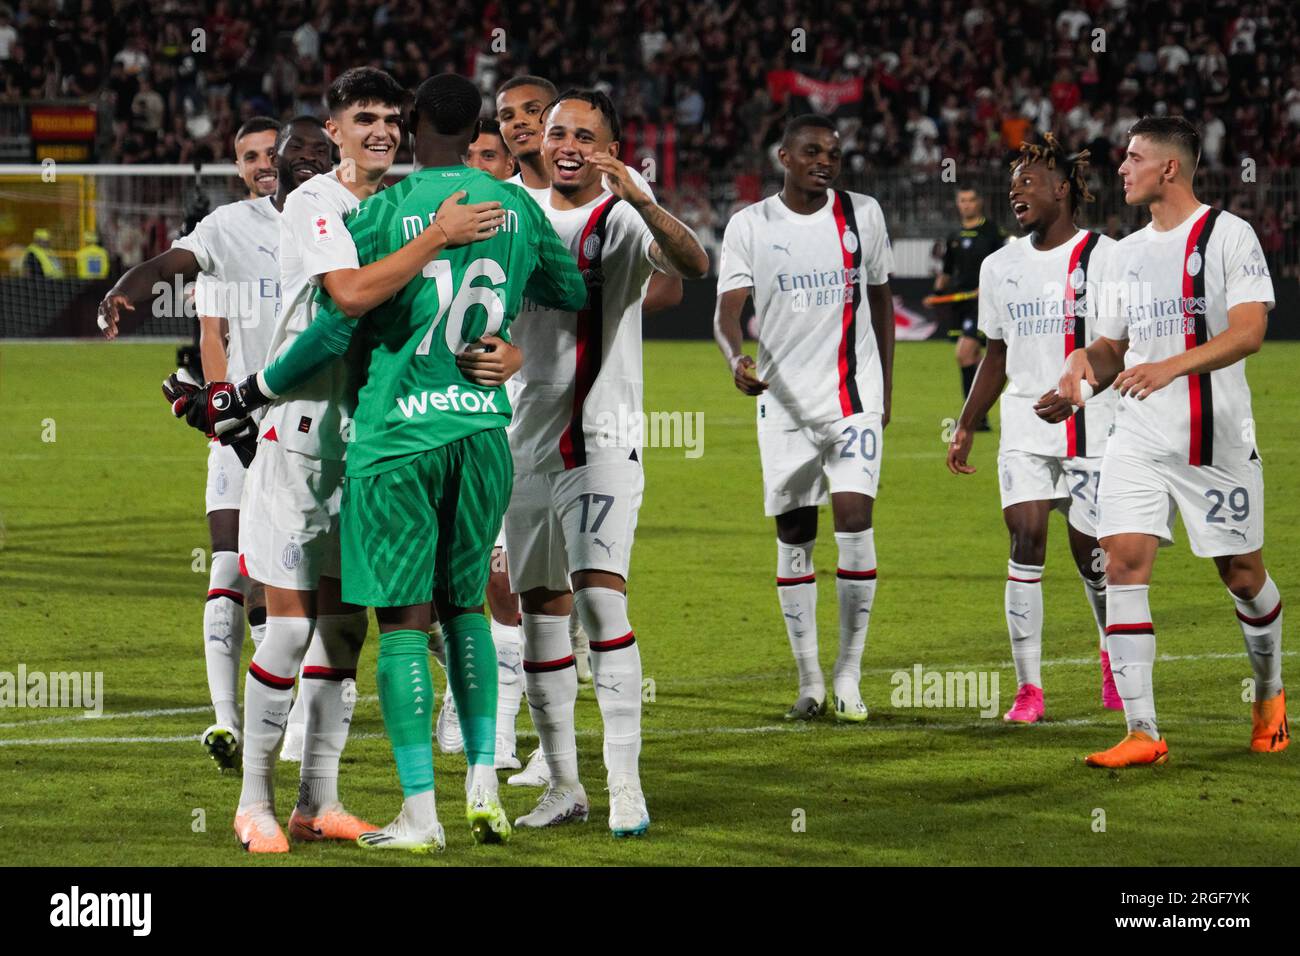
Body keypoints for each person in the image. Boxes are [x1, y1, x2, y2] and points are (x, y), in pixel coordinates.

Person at [184, 72, 585, 851]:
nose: (380, 130)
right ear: (334, 129)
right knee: (289, 630)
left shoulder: (387, 205)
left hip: (371, 446)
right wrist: (247, 394)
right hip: (303, 440)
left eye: (391, 118)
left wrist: (504, 347)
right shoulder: (319, 207)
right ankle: (254, 802)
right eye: (363, 117)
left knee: (343, 635)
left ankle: (316, 800)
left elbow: (446, 307)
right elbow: (344, 310)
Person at [1048, 116, 1288, 766]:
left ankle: (1268, 693)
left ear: (1169, 168)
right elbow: (1111, 349)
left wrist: (1170, 366)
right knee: (1121, 561)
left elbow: (1249, 332)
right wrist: (1077, 373)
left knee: (1242, 577)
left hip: (1217, 442)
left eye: (1131, 158)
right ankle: (1144, 732)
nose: (1120, 169)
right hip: (1139, 436)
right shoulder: (1121, 254)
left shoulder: (1228, 236)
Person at [97, 116, 332, 771]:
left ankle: (298, 725)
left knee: (321, 588)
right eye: (266, 153)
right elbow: (198, 310)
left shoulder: (345, 219)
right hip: (246, 428)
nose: (276, 162)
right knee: (235, 567)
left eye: (314, 149)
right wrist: (126, 294)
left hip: (322, 430)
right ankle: (229, 722)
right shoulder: (229, 228)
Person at [504, 88, 708, 836]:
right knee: (541, 615)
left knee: (601, 599)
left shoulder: (618, 216)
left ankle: (626, 785)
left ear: (609, 149)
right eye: (558, 131)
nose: (566, 144)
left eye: (585, 136)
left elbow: (693, 263)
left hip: (601, 438)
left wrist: (646, 202)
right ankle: (565, 786)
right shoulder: (506, 214)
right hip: (521, 443)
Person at [713, 114, 895, 723]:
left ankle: (849, 674)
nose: (826, 161)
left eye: (834, 154)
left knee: (854, 520)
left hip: (853, 399)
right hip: (784, 402)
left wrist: (885, 390)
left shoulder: (863, 214)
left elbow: (882, 302)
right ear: (784, 156)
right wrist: (734, 355)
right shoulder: (750, 225)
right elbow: (727, 310)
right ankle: (810, 680)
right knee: (794, 536)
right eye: (812, 151)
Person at [946, 133, 1120, 723]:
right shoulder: (1000, 265)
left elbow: (1120, 348)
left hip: (1092, 429)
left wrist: (1082, 393)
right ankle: (1029, 689)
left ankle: (1112, 661)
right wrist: (968, 423)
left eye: (1028, 180)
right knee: (1024, 543)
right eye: (1012, 182)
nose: (1015, 190)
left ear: (1063, 189)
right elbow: (995, 351)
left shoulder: (1104, 256)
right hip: (1023, 427)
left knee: (1093, 558)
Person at [933, 187, 1006, 429]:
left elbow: (1006, 267)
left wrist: (988, 288)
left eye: (971, 200)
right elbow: (946, 271)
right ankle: (978, 418)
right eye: (962, 201)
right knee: (972, 358)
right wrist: (935, 295)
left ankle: (972, 417)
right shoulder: (953, 235)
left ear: (980, 202)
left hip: (985, 303)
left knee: (965, 354)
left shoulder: (992, 232)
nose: (966, 205)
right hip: (961, 303)